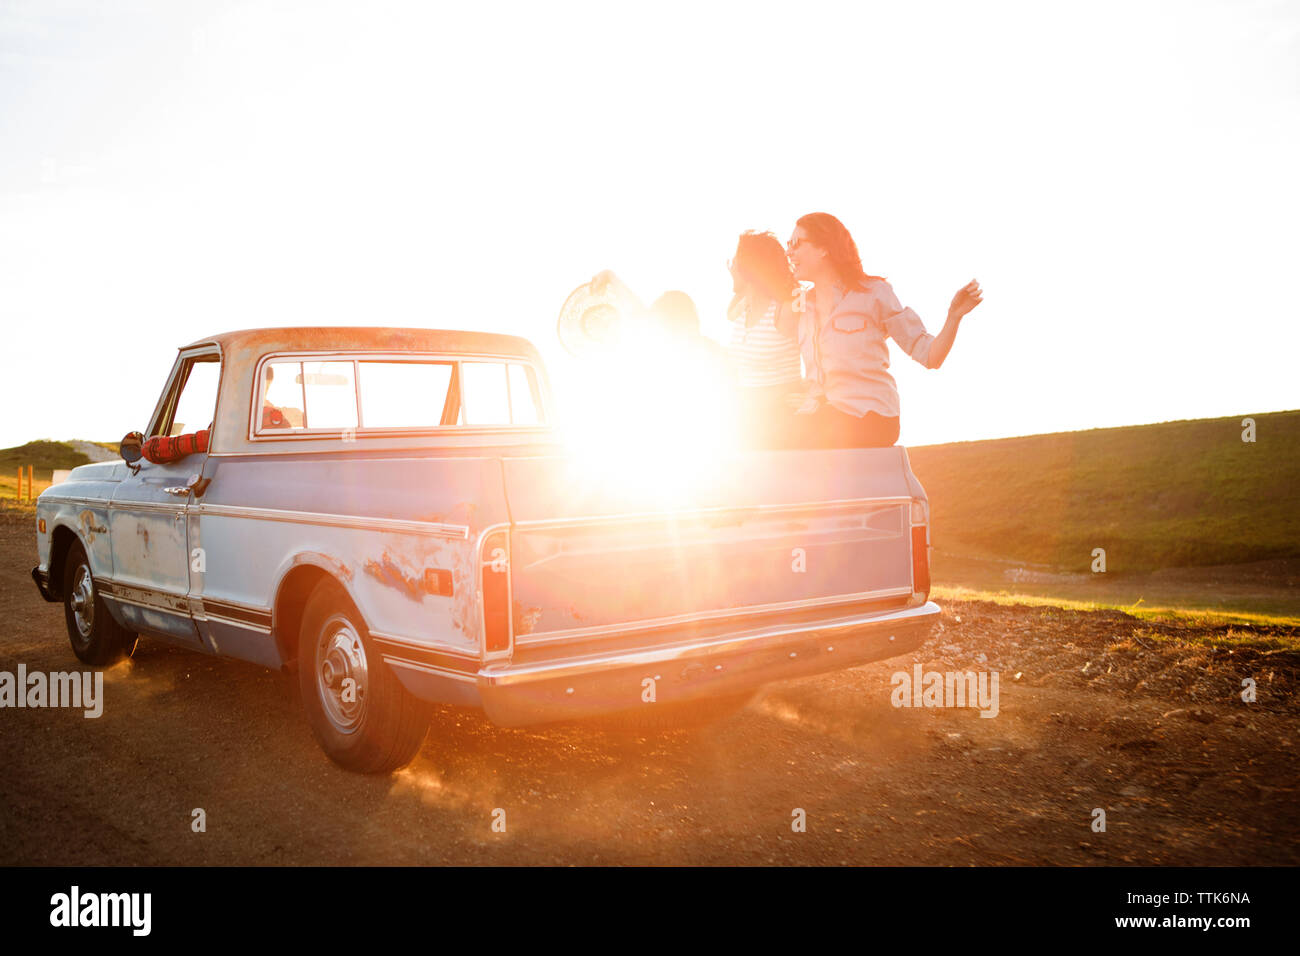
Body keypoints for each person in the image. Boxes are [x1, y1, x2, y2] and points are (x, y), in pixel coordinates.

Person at [777, 212, 983, 448]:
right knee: (766, 429)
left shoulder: (874, 293)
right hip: (822, 415)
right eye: (787, 245)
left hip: (873, 416)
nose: (789, 252)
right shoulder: (801, 305)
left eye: (796, 244)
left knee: (809, 433)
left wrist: (953, 317)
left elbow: (931, 356)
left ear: (824, 249)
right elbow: (782, 335)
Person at [724, 231, 804, 445]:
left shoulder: (786, 310)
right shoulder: (742, 309)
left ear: (750, 268)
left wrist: (811, 392)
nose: (731, 267)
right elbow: (729, 312)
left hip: (780, 421)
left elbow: (818, 347)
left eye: (736, 262)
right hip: (749, 420)